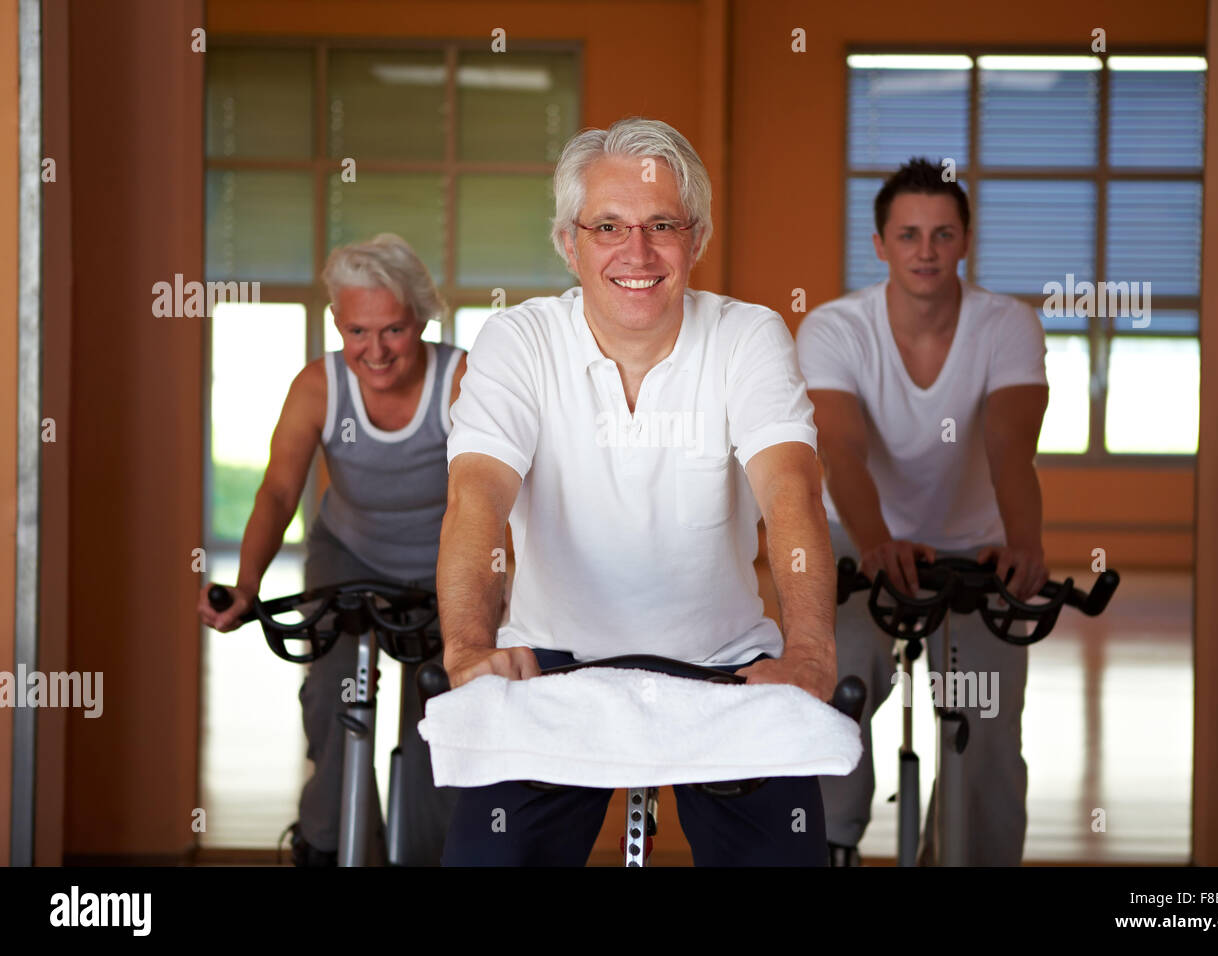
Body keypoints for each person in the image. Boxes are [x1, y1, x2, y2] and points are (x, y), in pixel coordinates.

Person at [436, 117, 838, 866]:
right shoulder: (518, 341)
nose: (638, 252)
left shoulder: (748, 336)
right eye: (609, 227)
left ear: (697, 238)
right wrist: (468, 650)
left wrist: (810, 651)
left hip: (725, 661)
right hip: (549, 660)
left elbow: (792, 492)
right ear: (569, 243)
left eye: (662, 225)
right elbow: (476, 500)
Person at [796, 158, 1049, 866]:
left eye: (942, 234)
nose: (926, 251)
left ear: (965, 240)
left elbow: (1010, 450)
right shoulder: (834, 328)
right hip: (858, 537)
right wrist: (878, 544)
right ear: (880, 245)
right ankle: (832, 844)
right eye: (908, 235)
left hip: (974, 546)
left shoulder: (1008, 326)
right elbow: (841, 451)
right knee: (840, 684)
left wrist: (1025, 545)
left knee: (986, 718)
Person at [197, 233, 467, 866]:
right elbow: (277, 491)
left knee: (440, 712)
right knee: (332, 696)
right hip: (348, 553)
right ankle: (327, 847)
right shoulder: (319, 386)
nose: (375, 350)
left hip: (446, 562)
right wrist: (247, 585)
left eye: (393, 329)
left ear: (422, 317)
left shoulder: (460, 380)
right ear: (337, 324)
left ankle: (428, 853)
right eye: (356, 331)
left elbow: (502, 493)